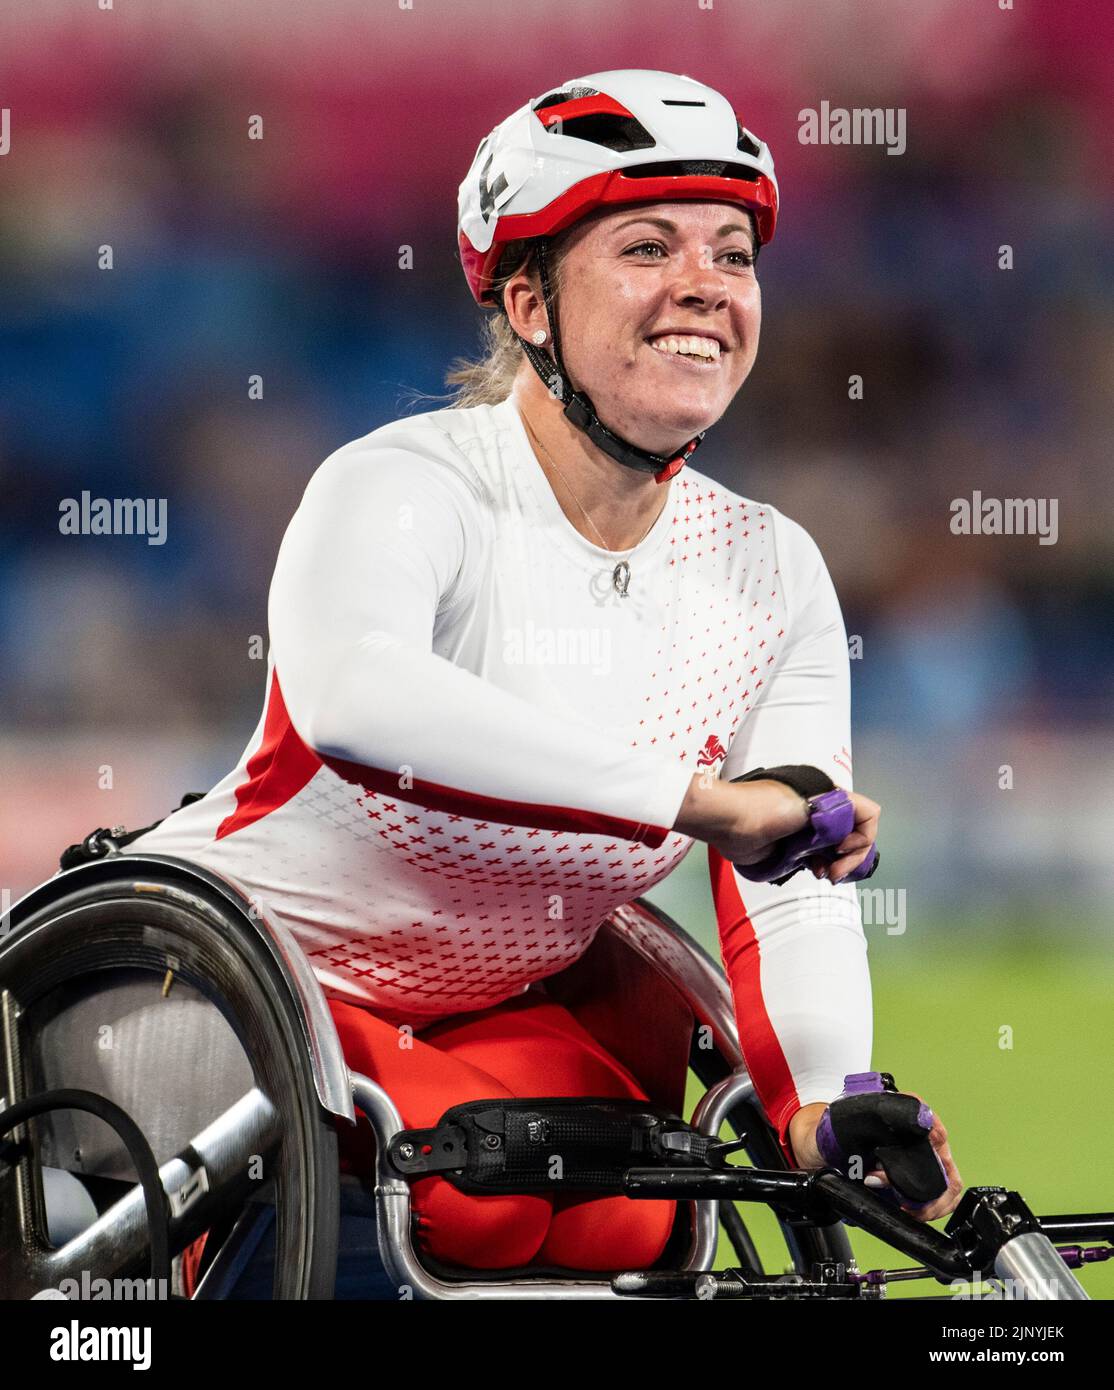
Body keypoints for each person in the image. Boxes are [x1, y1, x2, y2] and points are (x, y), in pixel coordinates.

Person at [132, 69, 962, 1285]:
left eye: (732, 255)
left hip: (493, 1009)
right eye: (645, 247)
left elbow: (792, 872)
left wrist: (827, 1100)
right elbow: (358, 697)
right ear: (527, 300)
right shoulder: (403, 483)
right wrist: (700, 799)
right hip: (240, 981)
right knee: (479, 1204)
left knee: (629, 1214)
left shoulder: (769, 567)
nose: (704, 286)